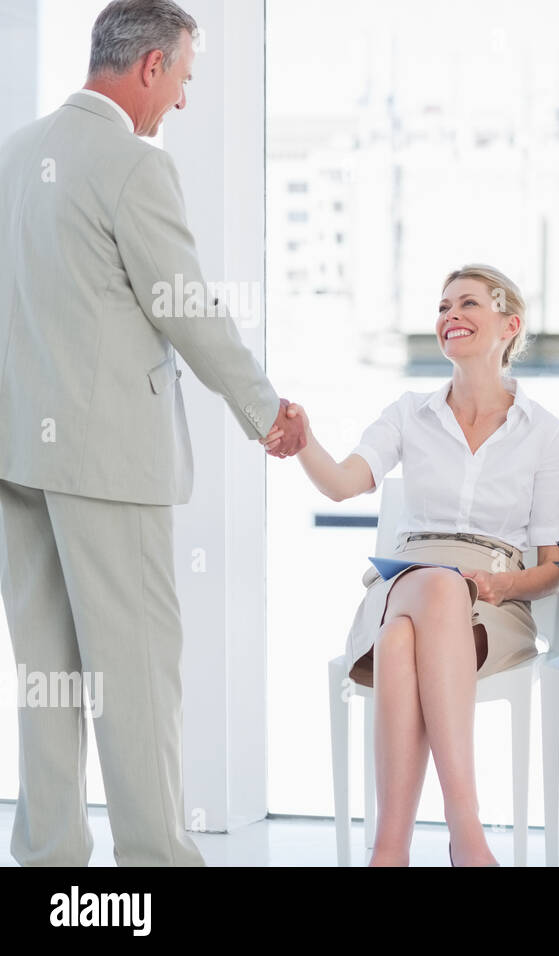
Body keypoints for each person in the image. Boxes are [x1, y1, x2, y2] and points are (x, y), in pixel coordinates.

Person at [0, 0, 306, 867]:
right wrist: (263, 409)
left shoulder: (14, 154)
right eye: (183, 78)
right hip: (108, 460)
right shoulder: (132, 166)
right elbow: (190, 313)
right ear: (150, 68)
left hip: (19, 450)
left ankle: (51, 859)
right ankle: (155, 866)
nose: (180, 100)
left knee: (48, 674)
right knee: (134, 677)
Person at [271, 265, 559, 866]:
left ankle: (390, 852)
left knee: (405, 638)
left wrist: (501, 583)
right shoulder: (409, 412)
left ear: (510, 325)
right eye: (442, 307)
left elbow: (553, 567)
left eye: (467, 304)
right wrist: (305, 441)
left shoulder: (546, 435)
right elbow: (342, 484)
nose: (449, 315)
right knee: (430, 590)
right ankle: (468, 836)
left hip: (494, 599)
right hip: (405, 579)